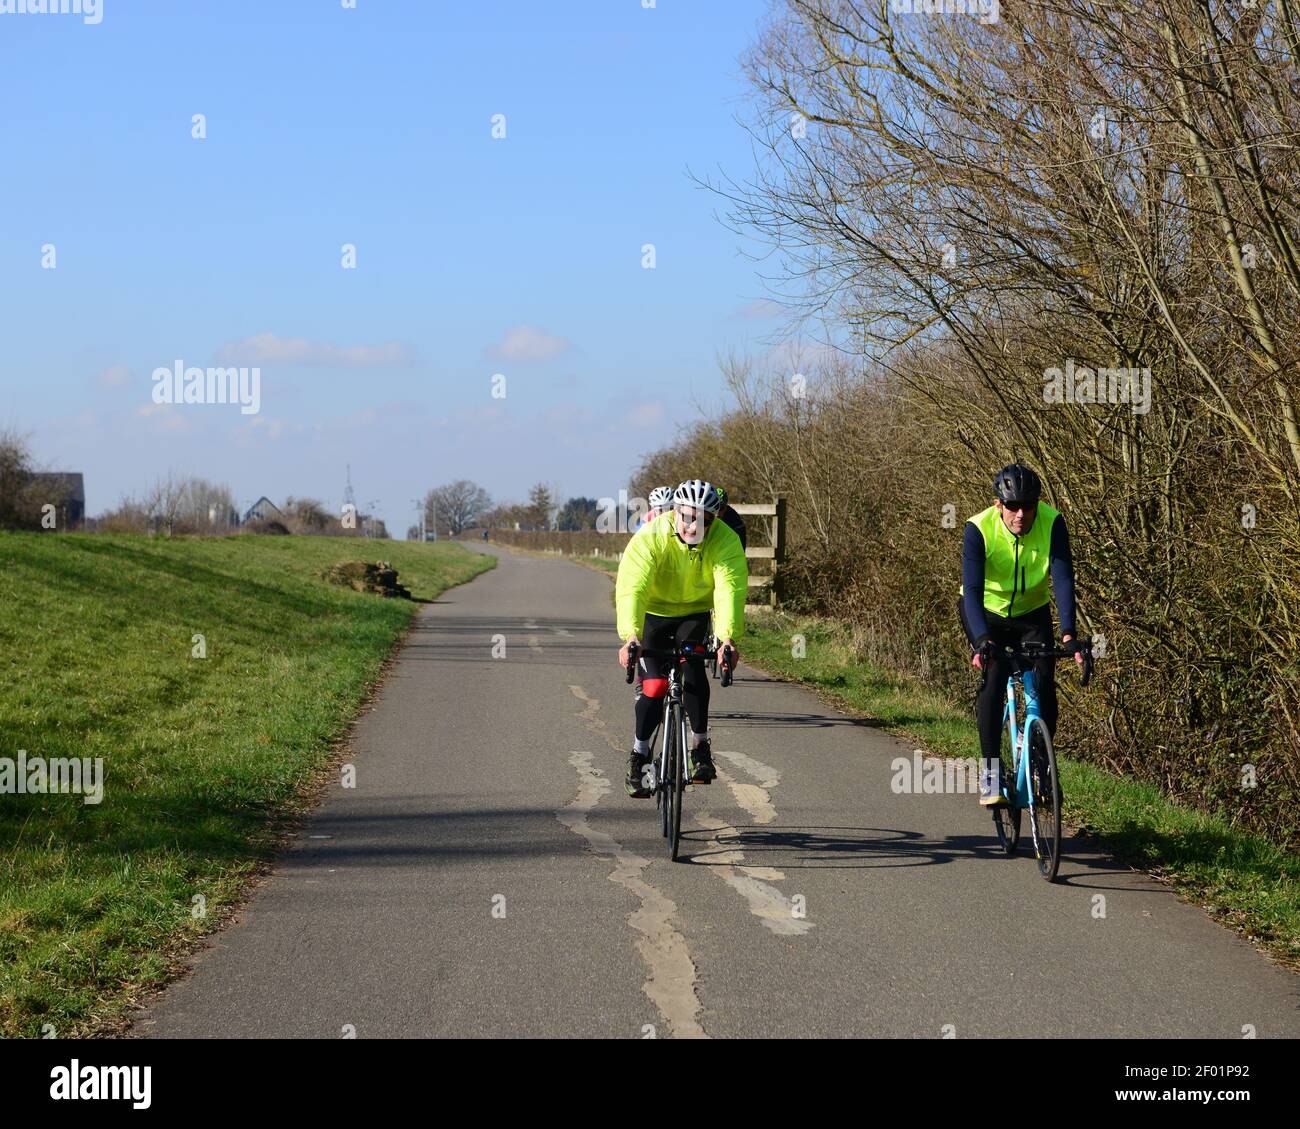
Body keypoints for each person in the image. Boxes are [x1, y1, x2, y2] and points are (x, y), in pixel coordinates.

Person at [958, 464, 1084, 805]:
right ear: (998, 504)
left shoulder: (1052, 522)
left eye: (1028, 506)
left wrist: (1069, 633)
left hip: (1032, 615)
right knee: (994, 676)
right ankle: (991, 774)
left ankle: (1041, 765)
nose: (1020, 514)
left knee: (1044, 687)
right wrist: (982, 640)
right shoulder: (978, 528)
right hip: (987, 615)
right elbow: (970, 590)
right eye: (1012, 506)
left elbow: (1062, 579)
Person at [615, 479, 748, 796]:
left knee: (692, 666)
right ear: (674, 511)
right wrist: (630, 635)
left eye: (703, 520)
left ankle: (700, 746)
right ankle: (640, 754)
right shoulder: (651, 536)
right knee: (655, 685)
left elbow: (730, 589)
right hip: (655, 614)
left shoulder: (724, 540)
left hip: (695, 612)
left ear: (714, 520)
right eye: (687, 516)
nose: (693, 525)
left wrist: (728, 638)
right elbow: (633, 586)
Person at [713, 486, 747, 551]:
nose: (717, 513)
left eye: (721, 508)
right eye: (715, 508)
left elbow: (740, 549)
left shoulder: (735, 521)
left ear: (726, 506)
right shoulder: (704, 514)